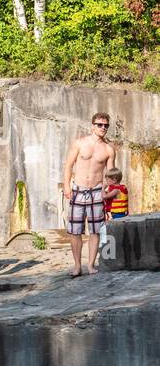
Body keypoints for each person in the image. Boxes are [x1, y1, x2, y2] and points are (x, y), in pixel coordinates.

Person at [62, 112, 116, 277]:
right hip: (78, 190)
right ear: (92, 125)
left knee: (95, 231)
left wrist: (108, 201)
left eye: (106, 125)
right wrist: (66, 186)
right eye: (99, 124)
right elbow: (68, 165)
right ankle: (77, 266)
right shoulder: (80, 143)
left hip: (97, 193)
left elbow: (111, 176)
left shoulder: (108, 149)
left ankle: (91, 265)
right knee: (75, 231)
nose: (103, 128)